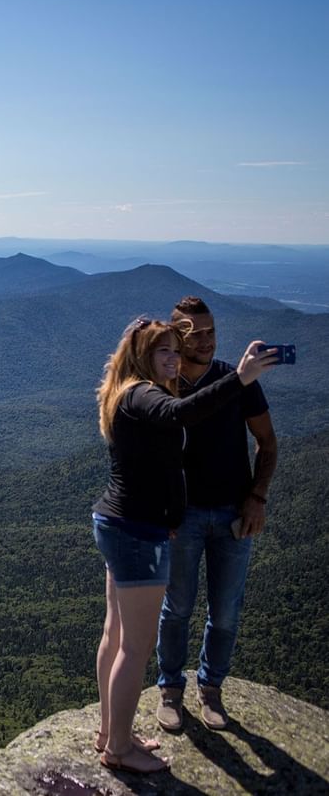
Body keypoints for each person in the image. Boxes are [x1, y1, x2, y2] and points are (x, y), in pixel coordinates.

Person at [92, 318, 275, 774]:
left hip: (119, 523)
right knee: (134, 647)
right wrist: (239, 379)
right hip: (137, 532)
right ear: (141, 357)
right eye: (163, 352)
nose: (174, 359)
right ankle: (118, 749)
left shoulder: (125, 390)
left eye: (176, 350)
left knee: (115, 636)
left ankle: (110, 731)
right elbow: (180, 414)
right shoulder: (142, 394)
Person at [155, 297, 278, 732]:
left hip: (232, 514)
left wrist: (257, 498)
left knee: (225, 610)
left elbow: (267, 442)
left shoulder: (237, 379)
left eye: (211, 332)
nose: (207, 340)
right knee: (178, 607)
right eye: (196, 333)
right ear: (177, 336)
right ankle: (170, 690)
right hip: (181, 517)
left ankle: (211, 691)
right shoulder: (163, 384)